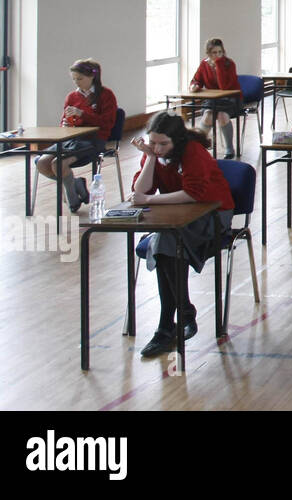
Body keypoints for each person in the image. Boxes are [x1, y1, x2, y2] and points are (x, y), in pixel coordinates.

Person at [129, 112, 235, 358]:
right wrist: (150, 158)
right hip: (177, 217)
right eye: (152, 142)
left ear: (177, 140)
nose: (157, 147)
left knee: (164, 241)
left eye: (163, 144)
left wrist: (150, 200)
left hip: (214, 213)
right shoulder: (155, 154)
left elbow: (194, 193)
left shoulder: (193, 152)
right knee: (166, 241)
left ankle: (168, 326)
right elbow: (139, 189)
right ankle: (180, 314)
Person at [39, 58, 119, 211]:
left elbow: (108, 122)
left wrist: (83, 114)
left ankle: (73, 201)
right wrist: (66, 124)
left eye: (80, 79)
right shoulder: (72, 96)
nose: (77, 82)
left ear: (92, 77)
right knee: (42, 163)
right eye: (74, 79)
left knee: (58, 163)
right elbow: (64, 119)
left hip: (93, 140)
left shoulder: (106, 95)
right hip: (72, 139)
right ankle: (76, 183)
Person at [189, 38, 245, 159]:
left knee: (222, 116)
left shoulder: (229, 64)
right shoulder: (204, 64)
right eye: (214, 52)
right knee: (208, 115)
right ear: (209, 53)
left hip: (230, 99)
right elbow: (196, 80)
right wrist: (195, 86)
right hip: (213, 100)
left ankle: (229, 148)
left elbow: (224, 86)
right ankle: (198, 146)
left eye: (220, 52)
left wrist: (218, 65)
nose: (217, 55)